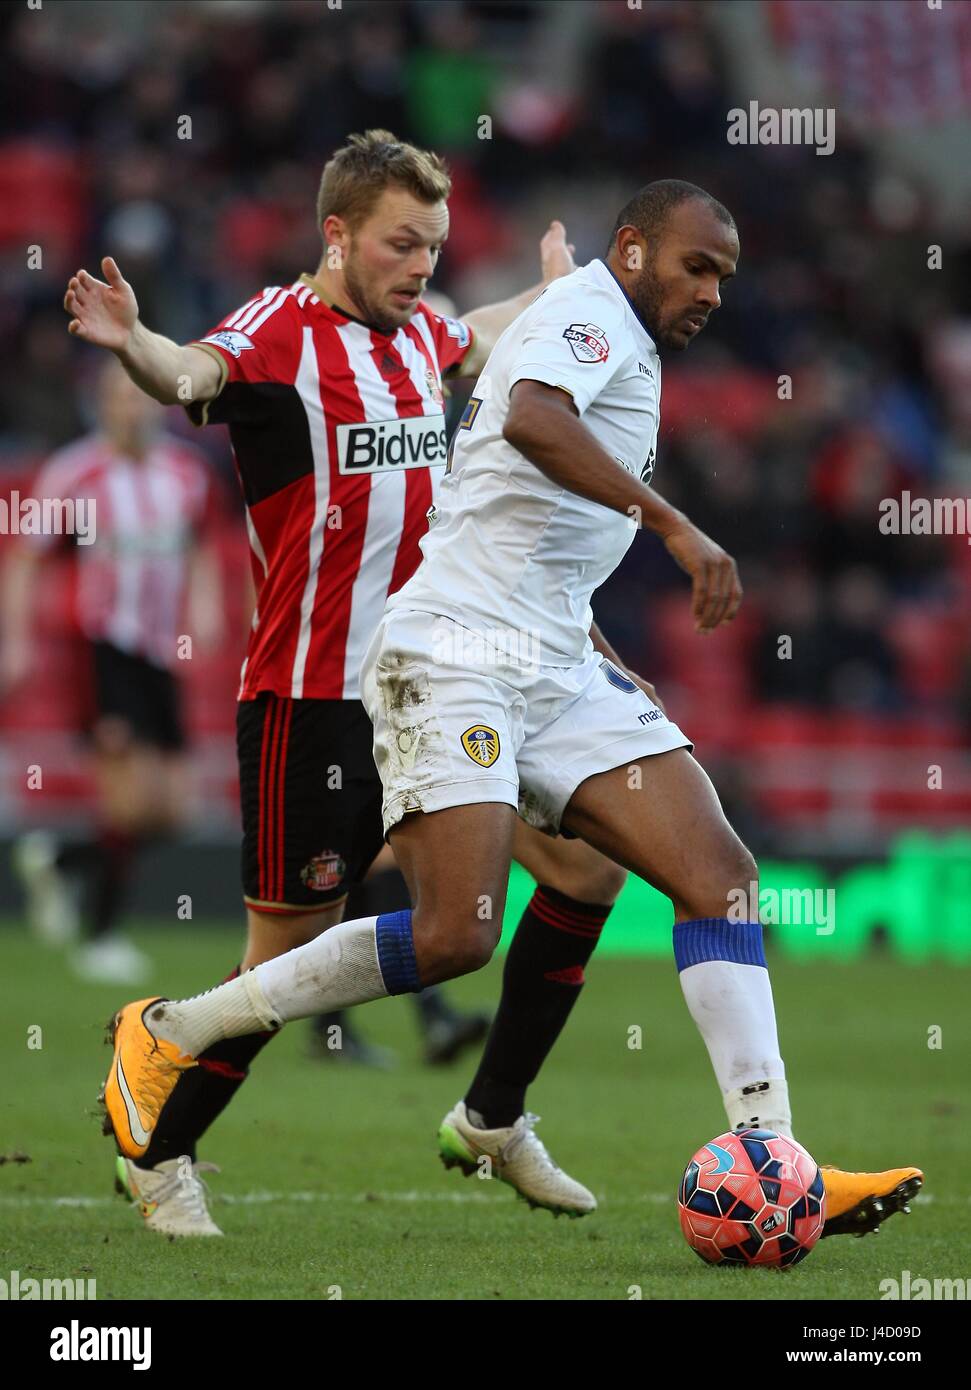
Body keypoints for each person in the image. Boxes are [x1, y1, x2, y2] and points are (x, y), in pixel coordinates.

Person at [101, 179, 923, 1240]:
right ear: (631, 252)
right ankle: (172, 1031)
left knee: (715, 875)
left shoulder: (598, 324)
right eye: (695, 267)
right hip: (445, 658)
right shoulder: (589, 320)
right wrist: (676, 528)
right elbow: (533, 417)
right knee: (453, 937)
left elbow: (525, 504)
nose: (713, 291)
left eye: (724, 273)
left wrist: (600, 651)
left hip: (549, 658)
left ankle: (770, 1159)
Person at [68, 131, 629, 1235]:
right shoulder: (278, 331)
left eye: (433, 243)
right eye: (400, 243)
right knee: (281, 969)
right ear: (337, 234)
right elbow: (194, 372)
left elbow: (471, 335)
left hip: (444, 682)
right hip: (311, 698)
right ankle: (161, 1148)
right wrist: (134, 340)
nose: (420, 264)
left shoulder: (419, 333)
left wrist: (559, 294)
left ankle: (494, 1113)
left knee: (583, 862)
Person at [3, 360, 221, 985]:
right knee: (126, 797)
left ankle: (62, 857)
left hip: (159, 653)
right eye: (117, 397)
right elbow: (25, 558)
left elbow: (204, 543)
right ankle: (99, 935)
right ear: (101, 405)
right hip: (101, 648)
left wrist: (204, 605)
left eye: (138, 396)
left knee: (174, 809)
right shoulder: (76, 472)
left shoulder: (185, 472)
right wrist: (17, 641)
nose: (130, 408)